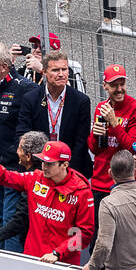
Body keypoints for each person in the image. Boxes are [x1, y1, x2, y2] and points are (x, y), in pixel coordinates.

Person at [0, 139, 94, 265]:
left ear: (64, 165)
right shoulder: (36, 178)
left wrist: (58, 253)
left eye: (50, 163)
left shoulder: (82, 192)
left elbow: (84, 234)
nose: (44, 167)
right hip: (32, 258)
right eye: (43, 162)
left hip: (62, 263)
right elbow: (6, 177)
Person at [0, 42, 39, 252]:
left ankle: (12, 266)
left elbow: (32, 125)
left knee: (10, 222)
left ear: (4, 66)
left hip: (14, 168)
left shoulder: (25, 88)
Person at [87, 64, 136, 241]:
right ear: (105, 85)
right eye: (114, 85)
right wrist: (95, 135)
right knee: (99, 240)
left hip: (125, 187)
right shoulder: (101, 108)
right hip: (99, 184)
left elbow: (134, 149)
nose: (119, 89)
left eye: (122, 84)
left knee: (122, 241)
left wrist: (114, 123)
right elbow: (94, 148)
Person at [27, 49, 93, 180]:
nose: (61, 74)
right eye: (56, 70)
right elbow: (25, 134)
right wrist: (42, 168)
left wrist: (65, 173)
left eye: (64, 69)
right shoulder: (31, 99)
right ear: (44, 72)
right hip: (40, 169)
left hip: (71, 170)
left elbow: (81, 142)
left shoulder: (81, 101)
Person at [0, 131, 48, 251]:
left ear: (28, 156)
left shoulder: (34, 179)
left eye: (19, 148)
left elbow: (20, 220)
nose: (16, 151)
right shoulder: (35, 176)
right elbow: (5, 177)